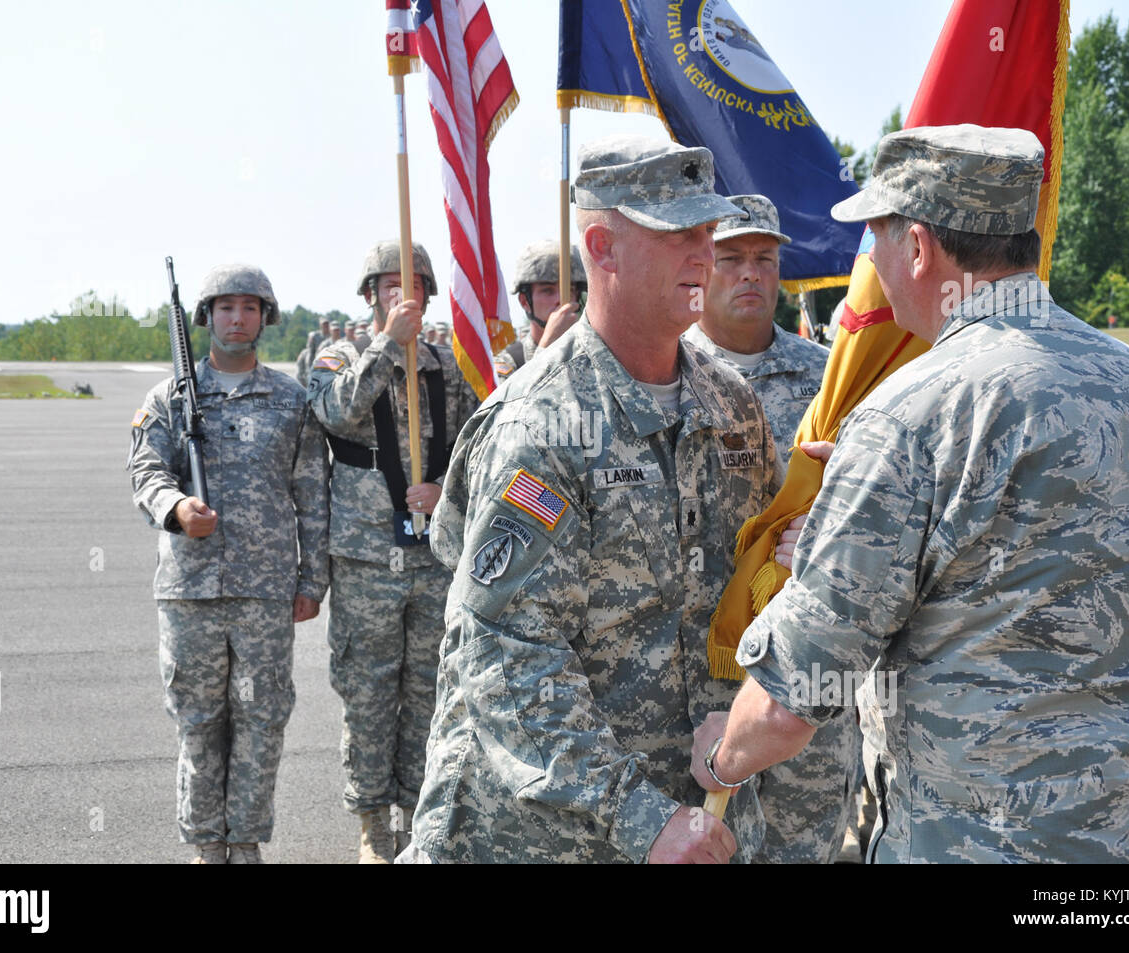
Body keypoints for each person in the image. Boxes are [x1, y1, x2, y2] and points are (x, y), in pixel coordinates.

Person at [692, 124, 1129, 863]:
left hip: (986, 841)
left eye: (877, 242)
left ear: (920, 248)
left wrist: (720, 759)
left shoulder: (910, 413)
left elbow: (791, 698)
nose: (874, 266)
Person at [402, 135, 783, 864]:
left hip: (693, 818)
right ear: (603, 247)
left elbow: (754, 590)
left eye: (708, 230)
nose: (705, 253)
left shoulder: (733, 409)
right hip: (538, 833)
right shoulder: (541, 425)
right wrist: (639, 816)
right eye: (679, 233)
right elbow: (506, 650)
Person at [128, 264, 329, 864]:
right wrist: (176, 507)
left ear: (264, 317)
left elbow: (312, 494)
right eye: (224, 308)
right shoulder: (168, 399)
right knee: (198, 722)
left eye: (248, 307)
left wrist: (311, 579)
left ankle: (245, 844)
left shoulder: (292, 400)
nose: (236, 319)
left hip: (265, 591)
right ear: (206, 318)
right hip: (190, 588)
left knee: (262, 721)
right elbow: (144, 472)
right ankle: (205, 847)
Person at [683, 193, 856, 864]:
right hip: (696, 684)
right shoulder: (665, 377)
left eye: (765, 258)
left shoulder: (832, 383)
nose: (752, 274)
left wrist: (831, 529)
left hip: (805, 678)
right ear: (701, 265)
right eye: (732, 259)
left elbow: (885, 513)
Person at [306, 239, 481, 863]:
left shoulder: (444, 366)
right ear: (369, 294)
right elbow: (335, 411)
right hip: (367, 555)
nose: (400, 293)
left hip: (432, 555)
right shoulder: (338, 355)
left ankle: (419, 814)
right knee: (368, 690)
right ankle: (372, 823)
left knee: (432, 690)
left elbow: (475, 445)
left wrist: (446, 488)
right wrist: (387, 344)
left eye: (412, 285)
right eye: (387, 285)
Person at [492, 240, 586, 381]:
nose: (560, 299)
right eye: (547, 291)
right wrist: (547, 346)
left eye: (569, 289)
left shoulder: (593, 355)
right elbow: (516, 402)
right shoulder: (509, 362)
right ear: (525, 302)